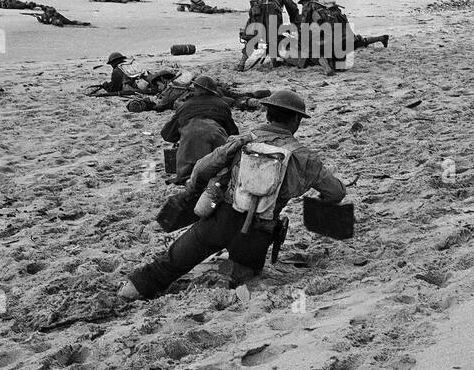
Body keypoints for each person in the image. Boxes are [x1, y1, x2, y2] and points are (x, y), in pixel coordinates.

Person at [119, 90, 347, 300]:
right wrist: (319, 201)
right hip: (258, 232)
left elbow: (201, 168)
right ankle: (227, 284)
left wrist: (193, 192)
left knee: (169, 264)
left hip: (220, 219)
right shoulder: (305, 158)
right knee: (246, 272)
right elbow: (336, 192)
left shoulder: (243, 140)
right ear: (296, 121)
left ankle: (129, 293)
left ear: (268, 114)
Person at [161, 74, 239, 183]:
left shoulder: (185, 106)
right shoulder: (222, 104)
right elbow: (233, 132)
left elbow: (167, 135)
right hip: (216, 158)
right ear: (213, 91)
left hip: (188, 167)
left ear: (196, 88)